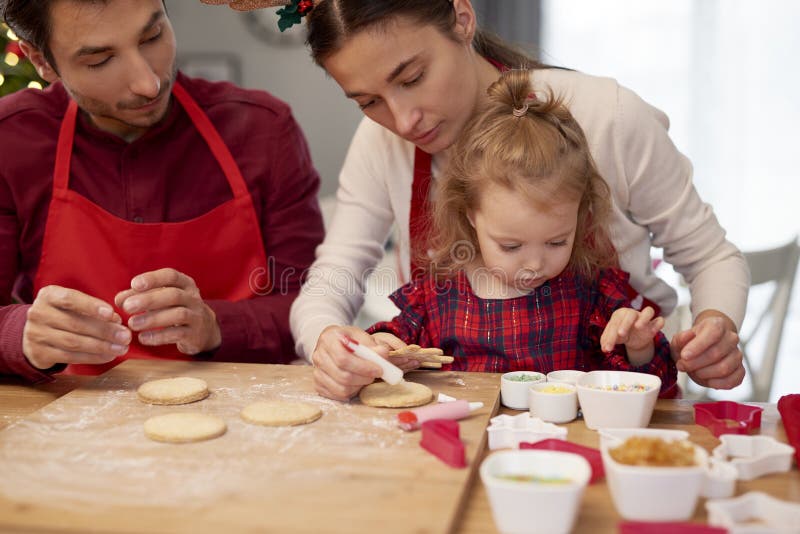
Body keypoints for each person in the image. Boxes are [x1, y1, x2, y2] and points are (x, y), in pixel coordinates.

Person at [278, 0, 748, 400]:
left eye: (413, 77)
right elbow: (332, 277)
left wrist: (714, 327)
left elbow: (709, 255)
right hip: (455, 417)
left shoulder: (607, 116)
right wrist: (327, 341)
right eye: (368, 101)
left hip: (610, 412)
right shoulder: (379, 146)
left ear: (463, 18)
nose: (403, 122)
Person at [0, 0, 324, 383]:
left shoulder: (263, 130)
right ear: (42, 61)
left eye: (153, 36)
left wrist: (215, 325)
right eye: (100, 60)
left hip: (244, 409)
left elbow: (312, 308)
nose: (148, 83)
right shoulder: (12, 139)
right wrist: (20, 334)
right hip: (72, 411)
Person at [366, 70, 677, 395]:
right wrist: (382, 347)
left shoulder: (593, 295)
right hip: (470, 441)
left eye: (557, 241)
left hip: (563, 443)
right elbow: (394, 341)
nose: (534, 263)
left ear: (581, 216)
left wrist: (638, 346)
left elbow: (654, 385)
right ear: (471, 215)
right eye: (511, 246)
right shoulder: (439, 296)